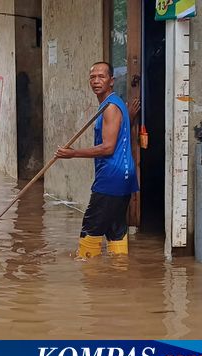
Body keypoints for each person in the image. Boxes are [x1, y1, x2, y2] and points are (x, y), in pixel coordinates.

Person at [56, 62, 139, 258]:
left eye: (101, 77)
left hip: (110, 178)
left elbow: (108, 148)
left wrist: (73, 154)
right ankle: (119, 277)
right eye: (93, 77)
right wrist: (130, 116)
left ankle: (89, 280)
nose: (96, 81)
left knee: (90, 230)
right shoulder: (116, 105)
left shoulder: (110, 108)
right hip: (125, 177)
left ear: (111, 81)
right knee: (115, 231)